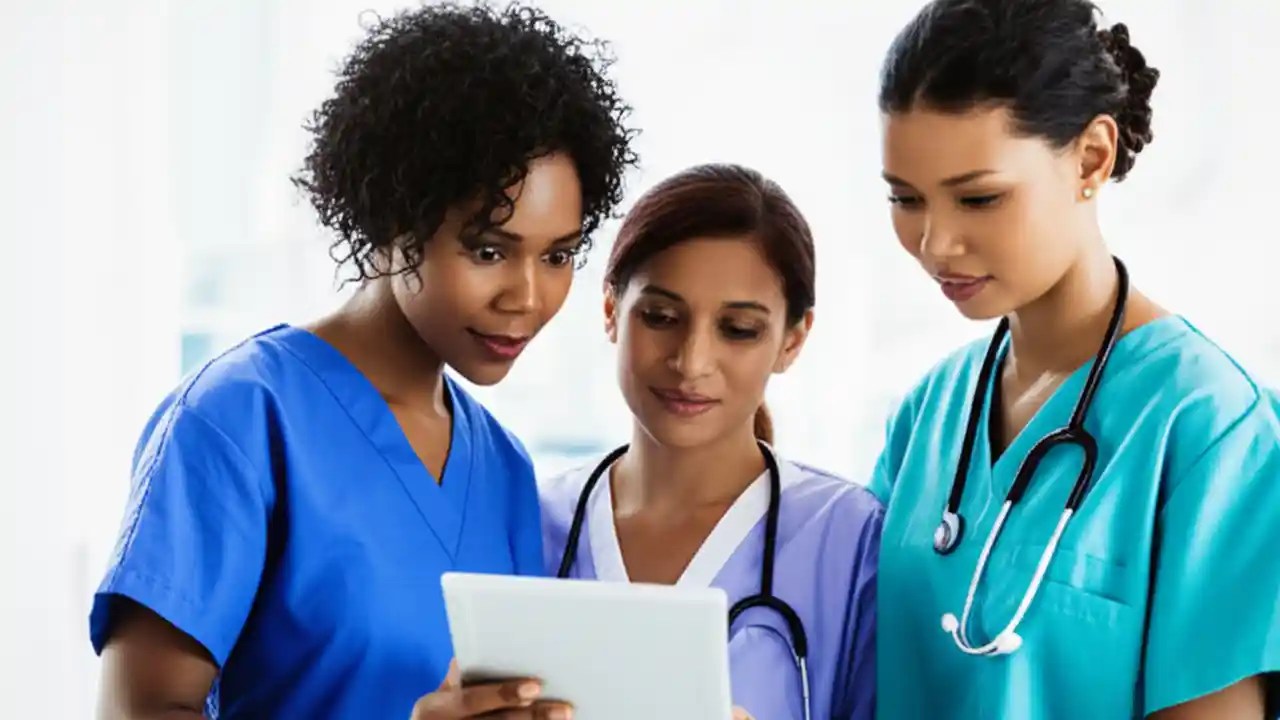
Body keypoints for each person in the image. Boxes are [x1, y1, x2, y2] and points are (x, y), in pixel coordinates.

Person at [89, 4, 637, 718]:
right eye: (488, 250)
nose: (528, 297)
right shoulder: (240, 419)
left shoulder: (501, 467)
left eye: (558, 256)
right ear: (391, 218)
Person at [869, 1, 1280, 718]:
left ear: (1091, 157)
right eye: (906, 199)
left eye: (978, 198)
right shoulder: (928, 413)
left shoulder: (1212, 428)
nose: (936, 244)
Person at [539, 163, 882, 720]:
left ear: (792, 340)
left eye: (738, 330)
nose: (691, 362)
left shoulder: (850, 537)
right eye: (660, 317)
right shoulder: (533, 523)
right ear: (611, 311)